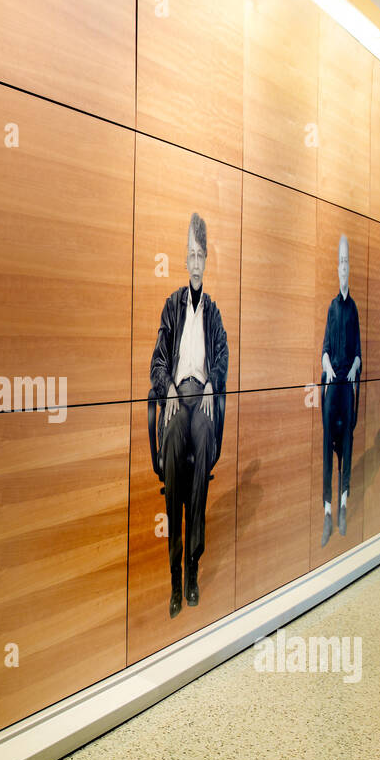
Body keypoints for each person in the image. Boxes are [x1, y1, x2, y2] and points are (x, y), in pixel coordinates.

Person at [149, 213, 229, 618]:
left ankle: (193, 566)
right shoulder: (172, 306)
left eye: (201, 256)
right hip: (178, 396)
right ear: (184, 259)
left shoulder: (213, 312)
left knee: (202, 447)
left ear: (207, 260)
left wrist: (213, 381)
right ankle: (175, 576)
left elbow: (223, 355)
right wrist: (166, 388)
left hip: (204, 397)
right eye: (191, 255)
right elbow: (158, 360)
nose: (196, 263)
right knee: (174, 442)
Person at [319, 234, 361, 546]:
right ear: (337, 268)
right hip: (333, 382)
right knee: (326, 442)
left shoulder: (353, 309)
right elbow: (323, 349)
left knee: (347, 438)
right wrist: (327, 366)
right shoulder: (332, 308)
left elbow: (359, 352)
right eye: (341, 262)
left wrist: (355, 367)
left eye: (347, 262)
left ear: (350, 268)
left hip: (348, 383)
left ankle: (344, 503)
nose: (344, 267)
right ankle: (327, 511)